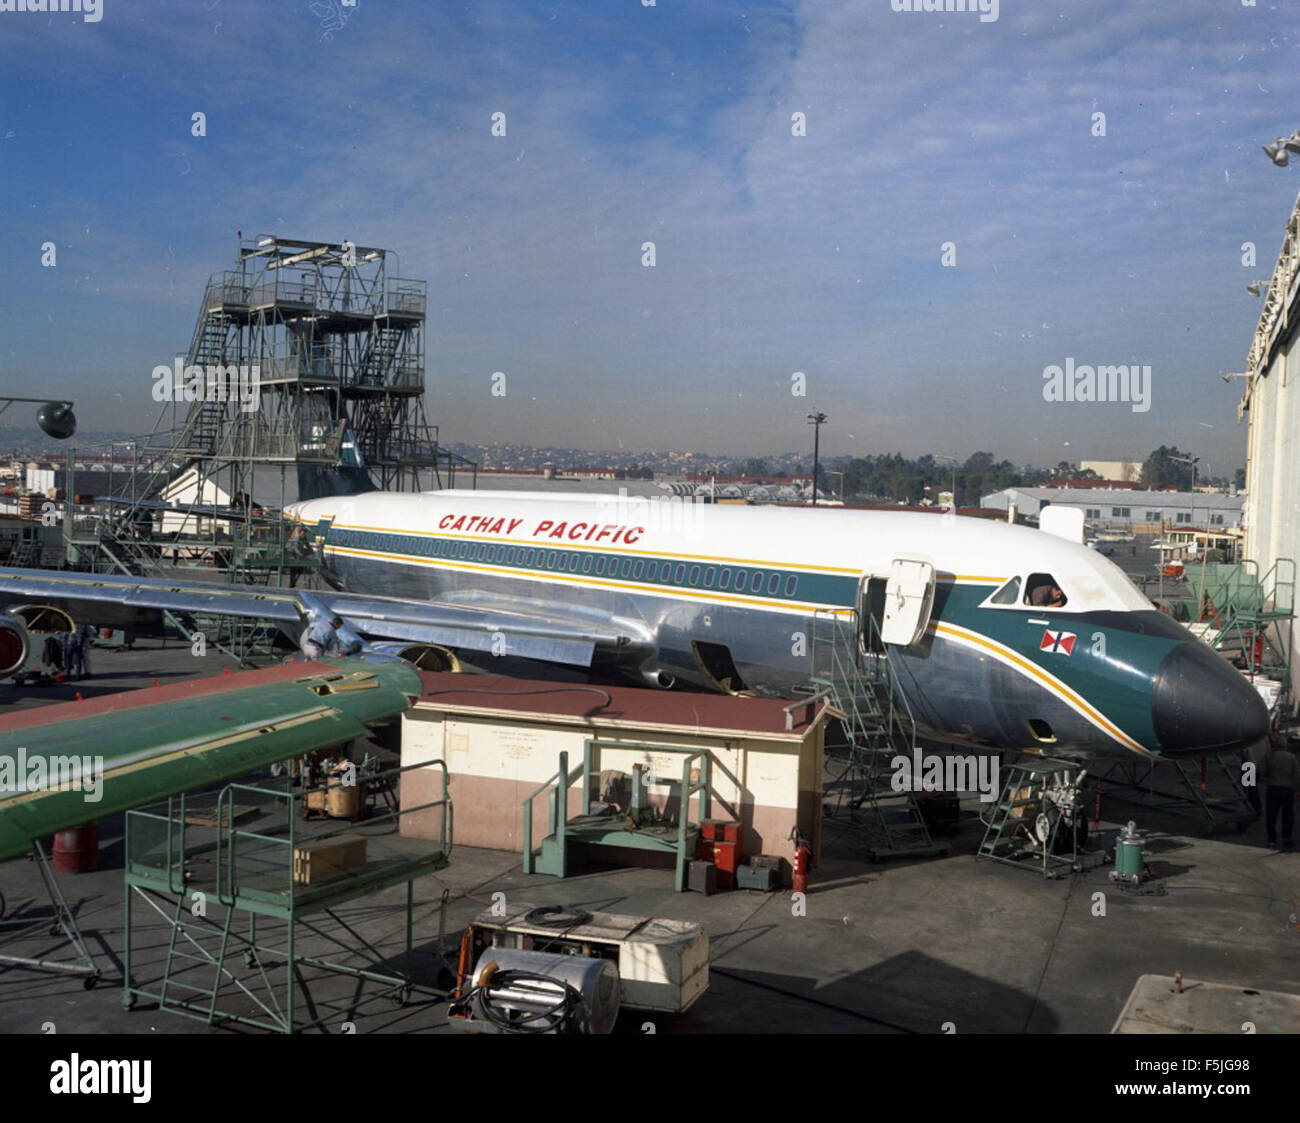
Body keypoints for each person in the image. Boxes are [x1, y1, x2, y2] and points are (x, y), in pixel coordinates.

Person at [1261, 730, 1297, 850]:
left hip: (1273, 788)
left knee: (1271, 815)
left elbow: (1263, 771)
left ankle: (1271, 840)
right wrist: (1298, 789)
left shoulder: (1269, 756)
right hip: (1287, 789)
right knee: (1287, 814)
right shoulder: (1292, 757)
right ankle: (1286, 837)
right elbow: (1297, 774)